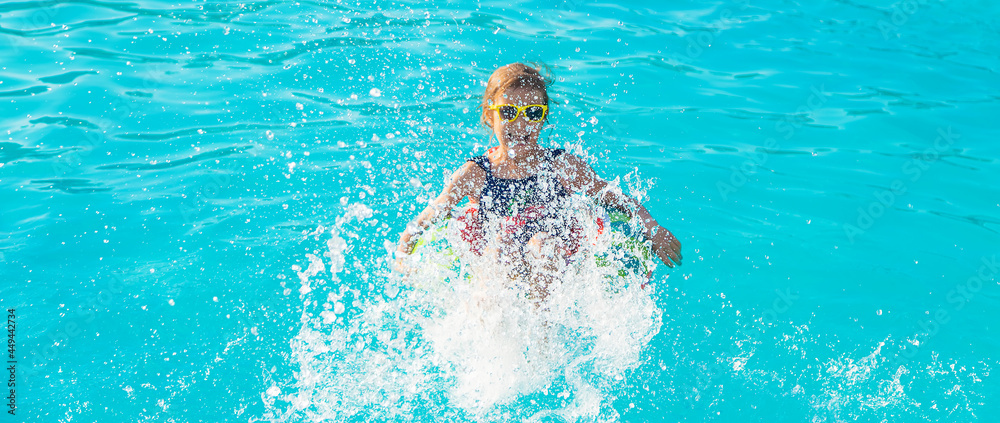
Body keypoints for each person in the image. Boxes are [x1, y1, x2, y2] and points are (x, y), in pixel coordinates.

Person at [396, 63, 681, 299]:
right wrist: (403, 250)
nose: (521, 124)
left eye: (533, 113)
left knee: (543, 245)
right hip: (499, 256)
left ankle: (542, 340)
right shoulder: (476, 173)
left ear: (544, 119)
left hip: (552, 252)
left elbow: (613, 197)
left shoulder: (561, 166)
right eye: (509, 113)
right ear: (489, 116)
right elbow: (434, 212)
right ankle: (494, 343)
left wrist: (652, 228)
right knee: (503, 245)